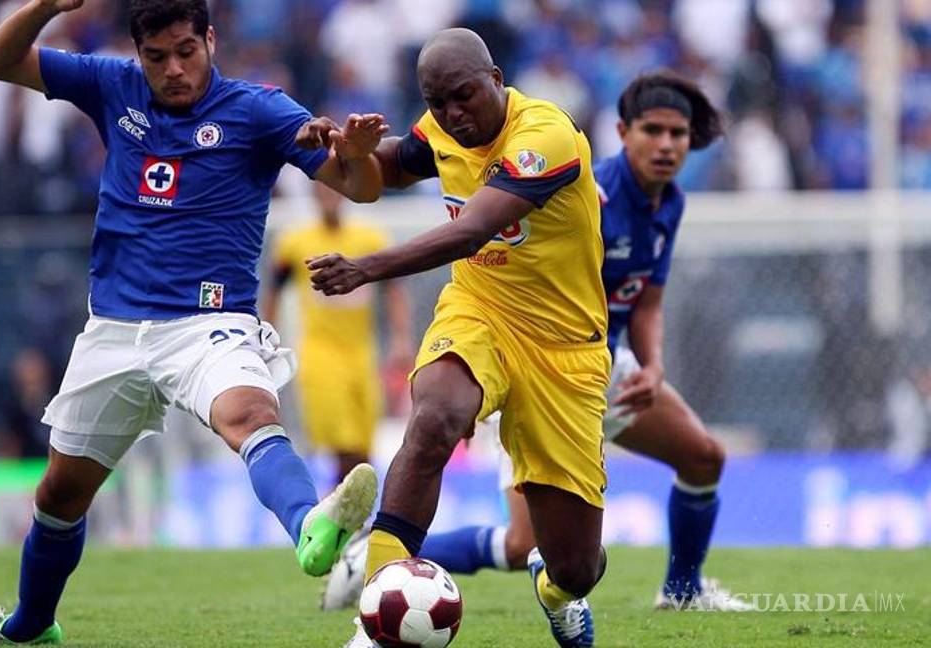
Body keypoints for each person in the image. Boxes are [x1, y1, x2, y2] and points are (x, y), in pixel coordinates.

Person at [0, 0, 390, 644]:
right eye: (157, 57)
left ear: (210, 38)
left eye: (187, 51)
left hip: (210, 323)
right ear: (137, 54)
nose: (174, 69)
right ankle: (30, 627)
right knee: (59, 497)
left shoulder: (260, 109)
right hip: (114, 329)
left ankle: (312, 530)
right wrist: (47, 7)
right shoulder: (110, 84)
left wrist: (360, 154)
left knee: (252, 416)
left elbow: (362, 188)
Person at [324, 72, 752, 615]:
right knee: (521, 543)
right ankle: (376, 564)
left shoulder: (669, 204)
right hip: (521, 344)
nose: (667, 146)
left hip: (596, 363)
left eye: (678, 135)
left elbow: (646, 296)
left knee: (701, 458)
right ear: (622, 133)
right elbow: (433, 197)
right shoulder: (591, 187)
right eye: (654, 131)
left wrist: (654, 364)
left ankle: (683, 591)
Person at [305, 29, 611, 648]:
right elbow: (389, 167)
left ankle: (552, 591)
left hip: (564, 349)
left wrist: (367, 266)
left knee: (577, 566)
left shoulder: (544, 138)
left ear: (496, 78)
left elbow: (471, 231)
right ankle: (378, 613)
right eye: (437, 102)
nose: (452, 115)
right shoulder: (442, 126)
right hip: (481, 311)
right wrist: (345, 151)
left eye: (464, 96)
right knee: (436, 415)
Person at [263, 182, 412, 485]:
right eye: (322, 191)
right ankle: (348, 510)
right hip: (321, 355)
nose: (329, 197)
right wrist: (267, 339)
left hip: (362, 354)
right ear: (314, 195)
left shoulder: (369, 238)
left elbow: (394, 288)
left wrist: (400, 338)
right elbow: (274, 292)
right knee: (342, 444)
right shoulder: (295, 242)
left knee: (364, 443)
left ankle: (347, 510)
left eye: (334, 190)